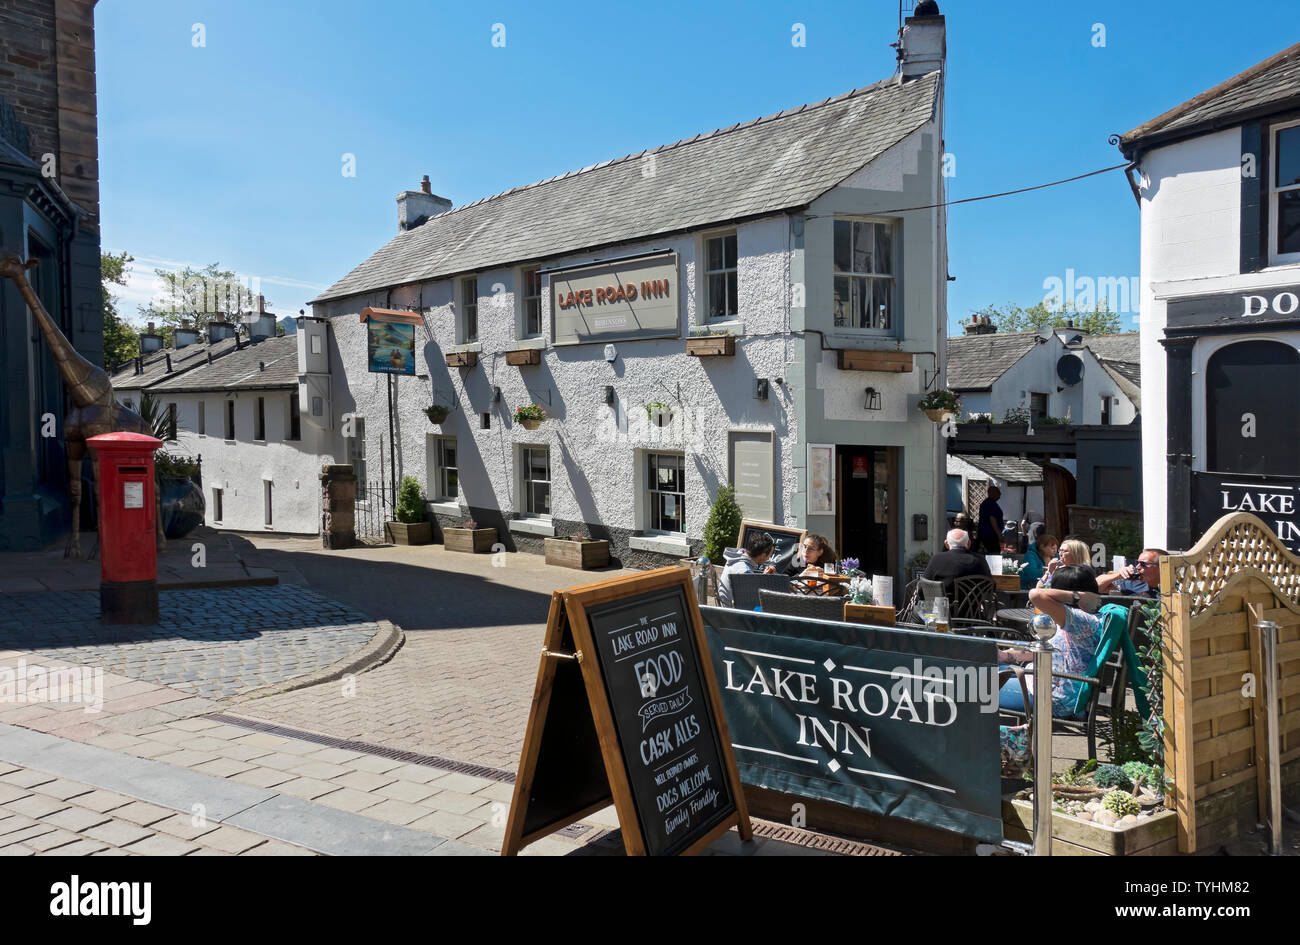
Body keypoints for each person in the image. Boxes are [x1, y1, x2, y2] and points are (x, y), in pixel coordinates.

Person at [998, 565, 1104, 715]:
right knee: (990, 671)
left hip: (1053, 698)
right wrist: (1006, 655)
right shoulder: (1081, 619)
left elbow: (1036, 594)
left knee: (973, 686)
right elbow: (1050, 647)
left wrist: (1076, 596)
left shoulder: (1081, 620)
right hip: (1046, 684)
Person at [921, 528, 991, 598]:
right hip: (973, 607)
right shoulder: (980, 560)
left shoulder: (937, 559)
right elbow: (990, 587)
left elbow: (923, 587)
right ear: (969, 544)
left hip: (944, 607)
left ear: (946, 544)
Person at [719, 531, 777, 608]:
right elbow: (751, 604)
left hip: (726, 608)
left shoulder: (737, 557)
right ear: (763, 555)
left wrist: (764, 577)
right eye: (770, 555)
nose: (770, 558)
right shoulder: (744, 572)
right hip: (733, 615)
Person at [1097, 548, 1166, 597]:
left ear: (1161, 567)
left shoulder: (1174, 589)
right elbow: (1096, 587)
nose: (1138, 567)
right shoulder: (1132, 582)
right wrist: (1119, 575)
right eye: (1138, 563)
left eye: (1143, 564)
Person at [976, 486, 1004, 554]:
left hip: (987, 535)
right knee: (994, 554)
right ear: (993, 493)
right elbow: (992, 519)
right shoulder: (990, 504)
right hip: (990, 536)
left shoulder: (989, 503)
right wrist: (999, 535)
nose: (1000, 495)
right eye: (998, 493)